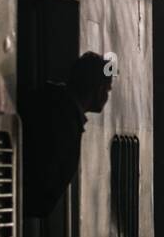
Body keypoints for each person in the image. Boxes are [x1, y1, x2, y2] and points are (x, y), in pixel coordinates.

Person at [42, 51, 115, 215]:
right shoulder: (66, 122)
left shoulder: (55, 105)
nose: (107, 97)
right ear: (99, 90)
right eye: (107, 90)